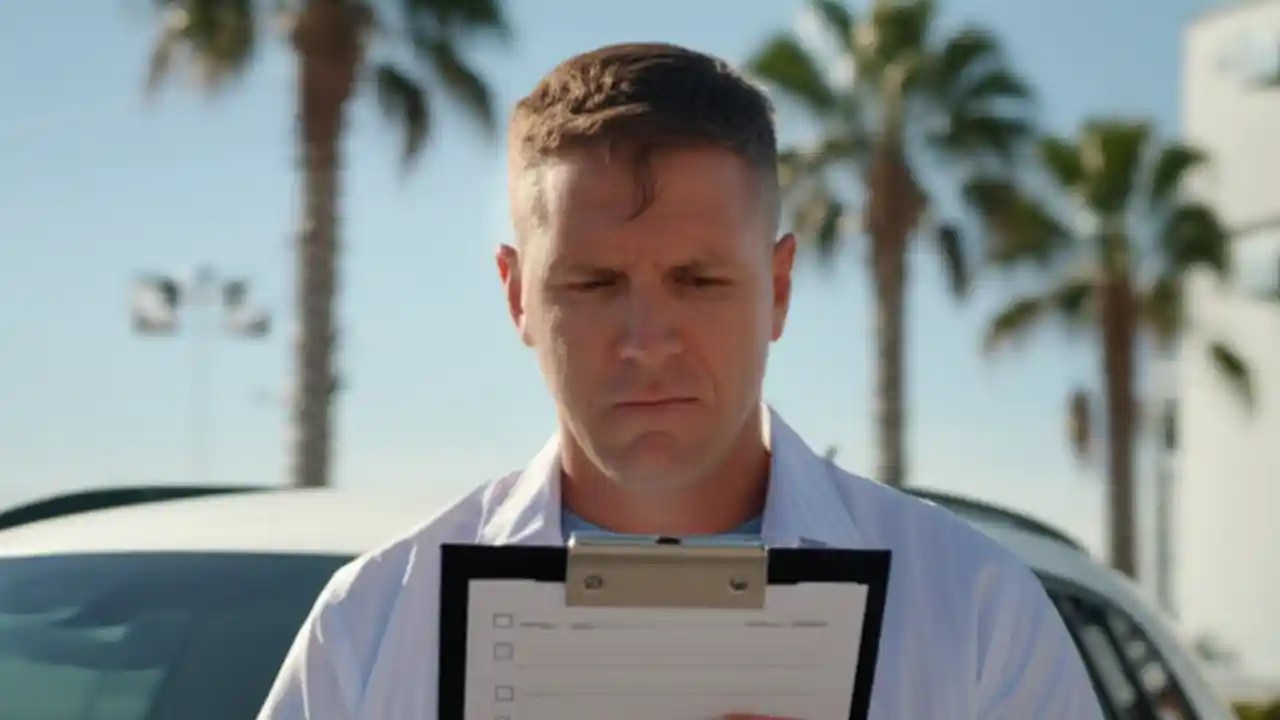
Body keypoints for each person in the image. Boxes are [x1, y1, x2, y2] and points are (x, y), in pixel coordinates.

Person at [256, 42, 1105, 719]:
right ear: (517, 294)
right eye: (593, 285)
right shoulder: (369, 625)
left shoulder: (975, 613)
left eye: (697, 282)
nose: (646, 341)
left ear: (777, 289)